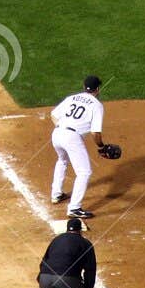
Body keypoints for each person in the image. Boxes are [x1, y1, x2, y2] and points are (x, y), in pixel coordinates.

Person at [49, 75, 111, 220]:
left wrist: (61, 128)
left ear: (84, 87)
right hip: (72, 137)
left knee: (62, 160)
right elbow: (95, 132)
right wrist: (101, 146)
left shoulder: (72, 98)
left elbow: (53, 114)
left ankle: (56, 194)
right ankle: (74, 208)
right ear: (97, 89)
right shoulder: (97, 105)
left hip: (57, 132)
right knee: (84, 172)